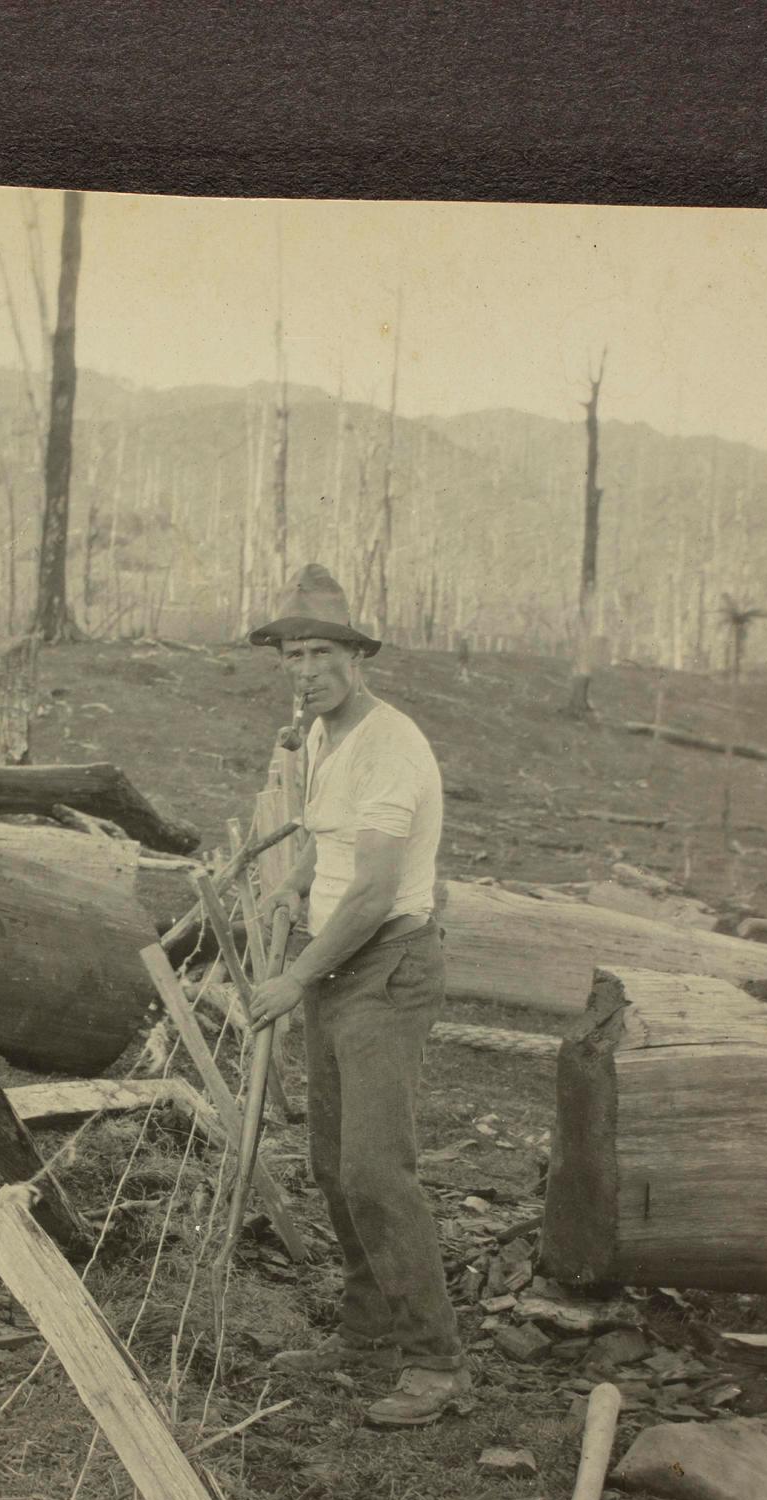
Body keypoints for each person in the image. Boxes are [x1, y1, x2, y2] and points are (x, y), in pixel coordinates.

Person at [245, 564, 471, 1427]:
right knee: (332, 1167)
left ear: (357, 655)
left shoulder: (391, 745)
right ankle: (367, 1331)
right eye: (291, 654)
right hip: (334, 965)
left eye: (320, 653)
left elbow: (375, 891)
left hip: (384, 966)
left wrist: (293, 976)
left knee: (377, 1170)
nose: (304, 669)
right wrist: (292, 883)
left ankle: (435, 1365)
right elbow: (327, 844)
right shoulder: (318, 740)